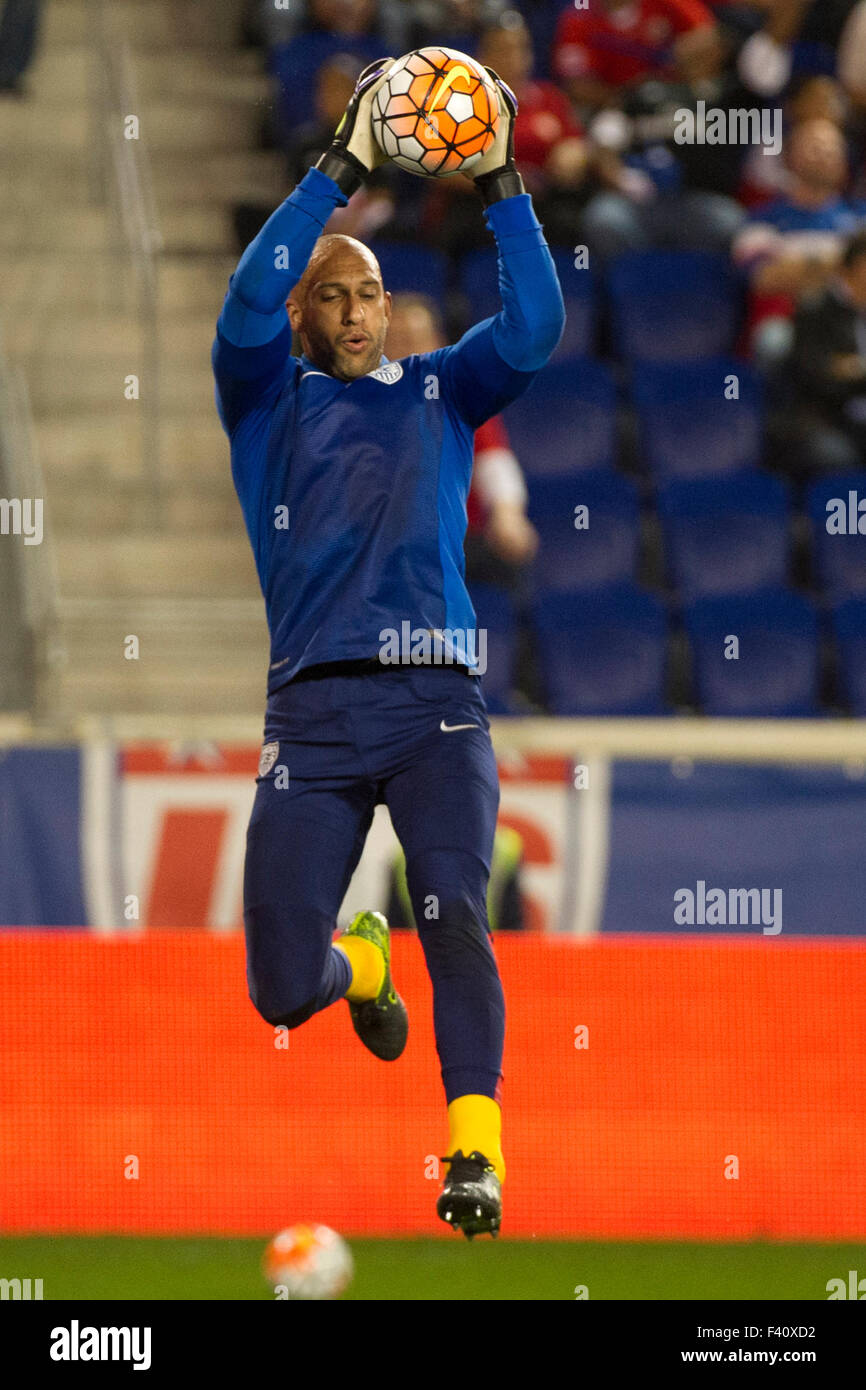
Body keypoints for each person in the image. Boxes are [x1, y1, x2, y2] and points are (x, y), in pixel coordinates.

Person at [211, 59, 565, 1239]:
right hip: (308, 721)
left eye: (367, 293)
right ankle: (361, 970)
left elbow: (536, 322)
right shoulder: (266, 402)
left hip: (435, 706)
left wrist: (502, 182)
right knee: (275, 985)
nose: (353, 309)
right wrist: (338, 177)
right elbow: (242, 309)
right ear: (307, 318)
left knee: (454, 908)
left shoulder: (442, 390)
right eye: (332, 296)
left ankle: (473, 1151)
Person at [788, 230, 866, 475]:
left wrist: (853, 368)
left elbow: (845, 369)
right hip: (827, 418)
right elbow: (816, 375)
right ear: (850, 267)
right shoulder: (816, 308)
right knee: (833, 456)